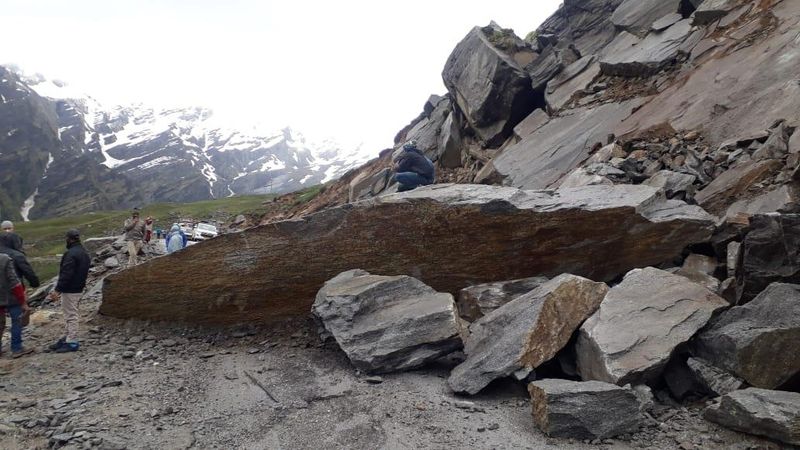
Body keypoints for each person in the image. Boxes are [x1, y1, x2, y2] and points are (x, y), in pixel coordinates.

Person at [47, 229, 90, 353]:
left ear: (69, 239)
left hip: (70, 289)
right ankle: (67, 337)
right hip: (78, 287)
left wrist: (57, 290)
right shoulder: (84, 252)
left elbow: (66, 273)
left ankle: (72, 342)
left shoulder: (70, 254)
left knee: (71, 315)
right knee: (69, 314)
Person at [0, 253, 32, 358]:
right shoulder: (4, 259)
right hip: (12, 298)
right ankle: (17, 348)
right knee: (17, 321)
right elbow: (14, 282)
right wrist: (23, 302)